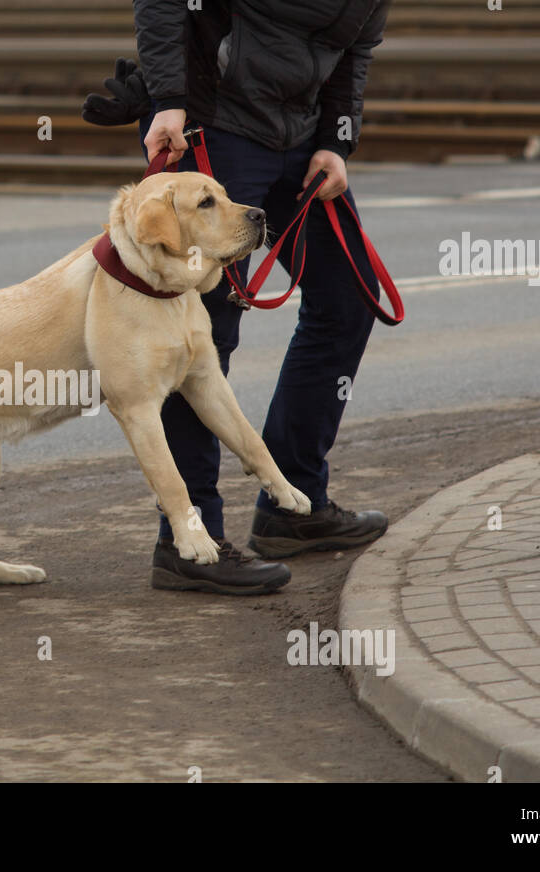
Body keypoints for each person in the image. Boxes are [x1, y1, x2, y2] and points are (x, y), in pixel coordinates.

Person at [84, 1, 392, 595]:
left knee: (351, 298)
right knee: (203, 336)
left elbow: (354, 52)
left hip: (302, 138)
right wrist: (168, 99)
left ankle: (293, 504)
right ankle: (189, 540)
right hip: (216, 127)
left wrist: (336, 141)